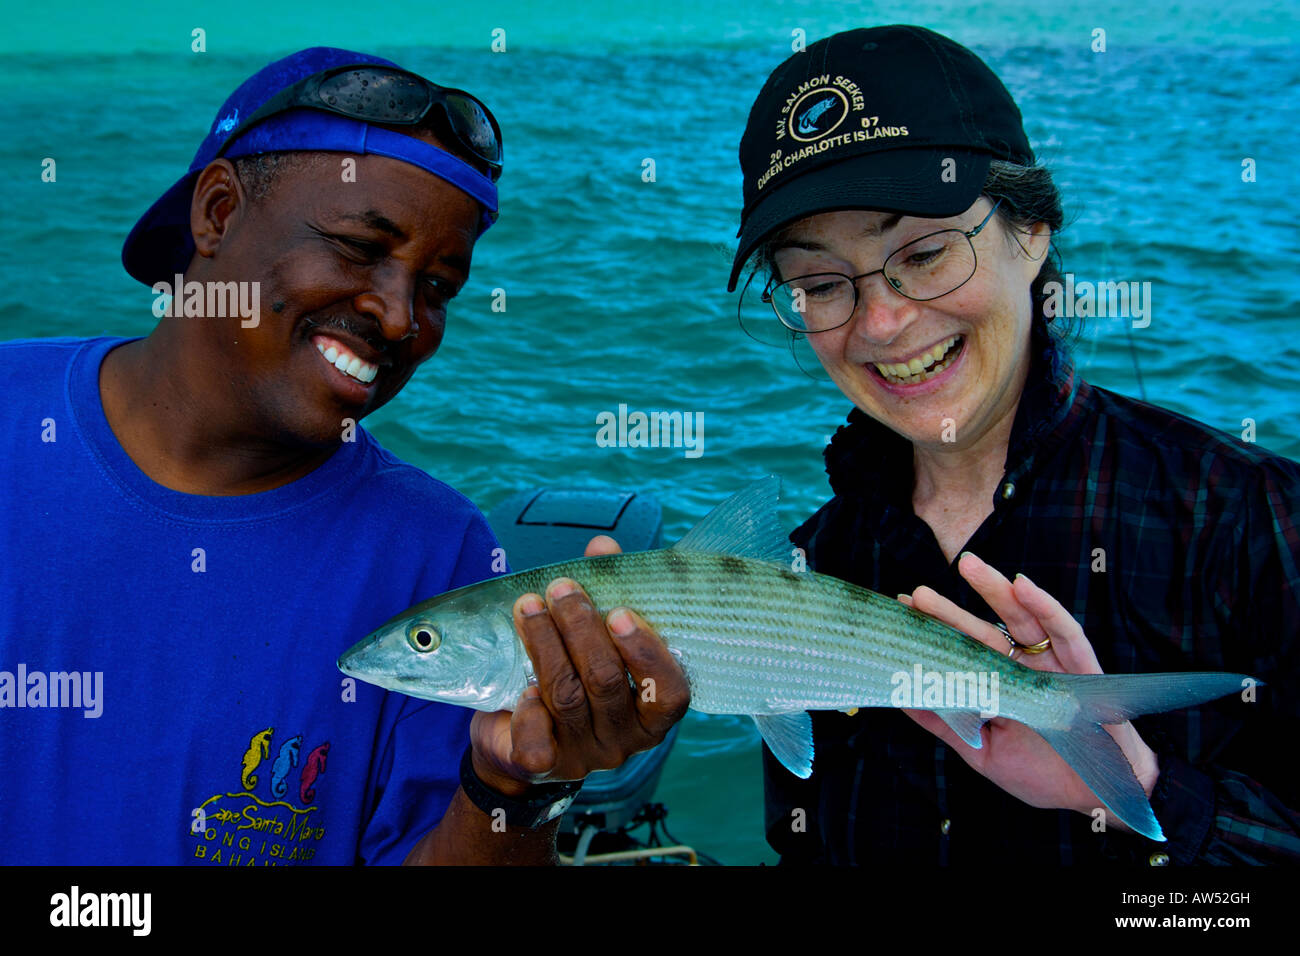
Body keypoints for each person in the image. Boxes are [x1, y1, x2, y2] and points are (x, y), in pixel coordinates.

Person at [0, 47, 687, 865]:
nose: (400, 318)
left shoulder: (439, 554)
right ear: (217, 213)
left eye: (438, 287)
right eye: (360, 247)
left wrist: (518, 787)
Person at [728, 25, 1299, 864]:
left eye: (922, 254)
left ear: (1030, 230)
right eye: (818, 283)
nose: (881, 322)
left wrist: (1145, 788)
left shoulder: (1257, 521)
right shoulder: (812, 565)